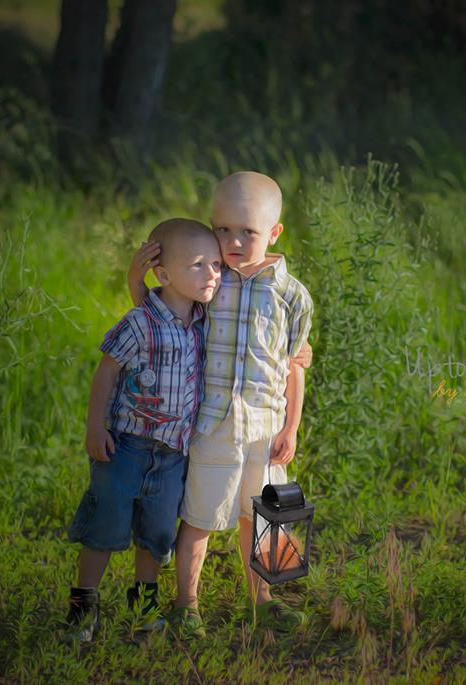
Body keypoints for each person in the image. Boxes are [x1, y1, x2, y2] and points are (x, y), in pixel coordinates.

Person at [128, 171, 314, 636]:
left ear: (274, 232)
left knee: (265, 515)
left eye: (247, 231)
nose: (232, 242)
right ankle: (186, 604)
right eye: (223, 229)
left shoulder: (292, 295)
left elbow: (295, 365)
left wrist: (291, 427)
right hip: (212, 422)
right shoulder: (210, 281)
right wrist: (135, 280)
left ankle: (263, 600)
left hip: (265, 427)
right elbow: (159, 318)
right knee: (199, 516)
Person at [63, 218, 221, 643]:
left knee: (156, 535)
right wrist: (94, 426)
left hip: (172, 455)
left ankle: (143, 608)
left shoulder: (205, 323)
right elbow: (106, 371)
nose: (211, 274)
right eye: (198, 265)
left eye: (217, 265)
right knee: (105, 525)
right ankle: (83, 608)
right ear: (164, 275)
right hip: (126, 446)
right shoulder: (139, 322)